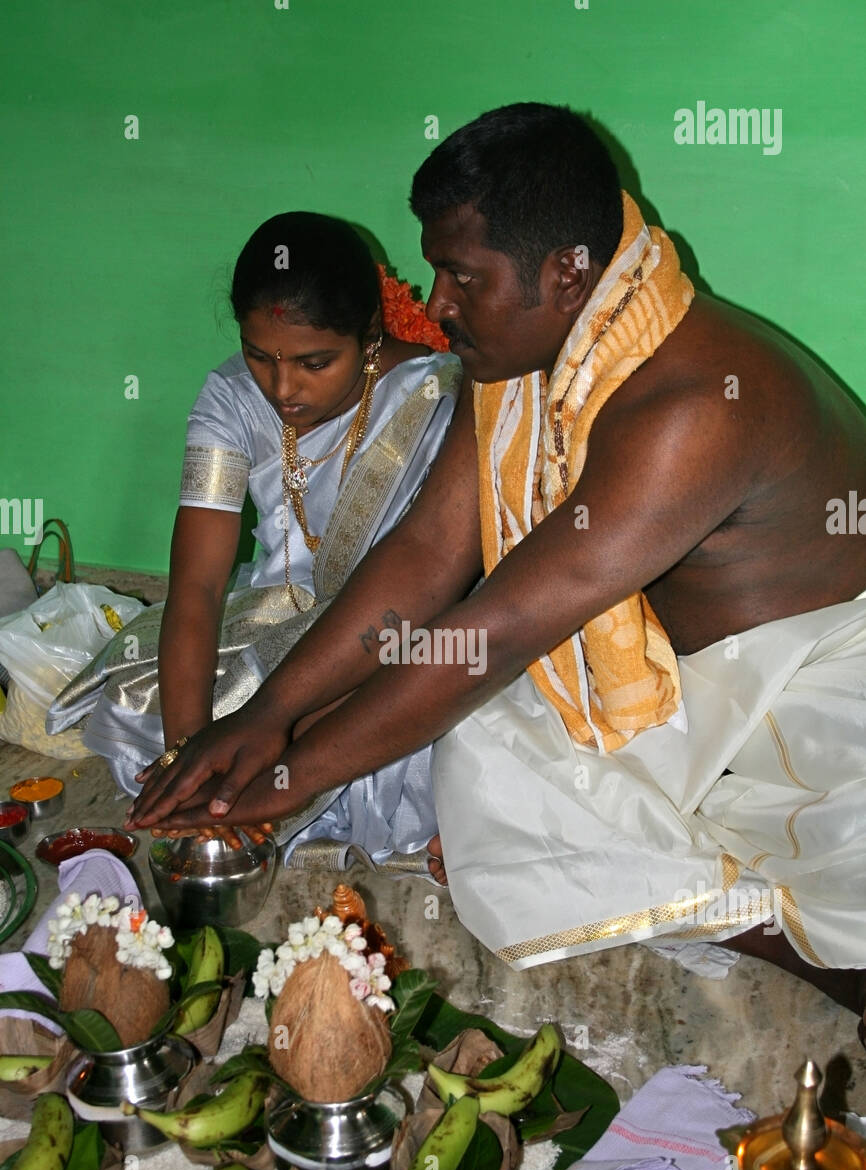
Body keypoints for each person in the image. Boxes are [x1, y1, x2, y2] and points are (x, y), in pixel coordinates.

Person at [126, 105, 866, 1038]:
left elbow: (492, 635)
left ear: (567, 274)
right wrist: (267, 714)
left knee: (843, 861)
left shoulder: (693, 406)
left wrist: (291, 776)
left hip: (817, 686)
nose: (434, 303)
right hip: (685, 688)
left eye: (461, 276)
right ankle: (723, 883)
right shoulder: (526, 349)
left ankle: (792, 940)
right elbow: (431, 553)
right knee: (477, 758)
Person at [49, 211, 461, 867]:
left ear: (370, 337)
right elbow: (198, 586)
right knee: (154, 700)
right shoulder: (231, 400)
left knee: (450, 715)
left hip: (397, 633)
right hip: (274, 618)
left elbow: (437, 578)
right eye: (259, 355)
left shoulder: (440, 396)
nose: (283, 388)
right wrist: (192, 755)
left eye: (315, 362)